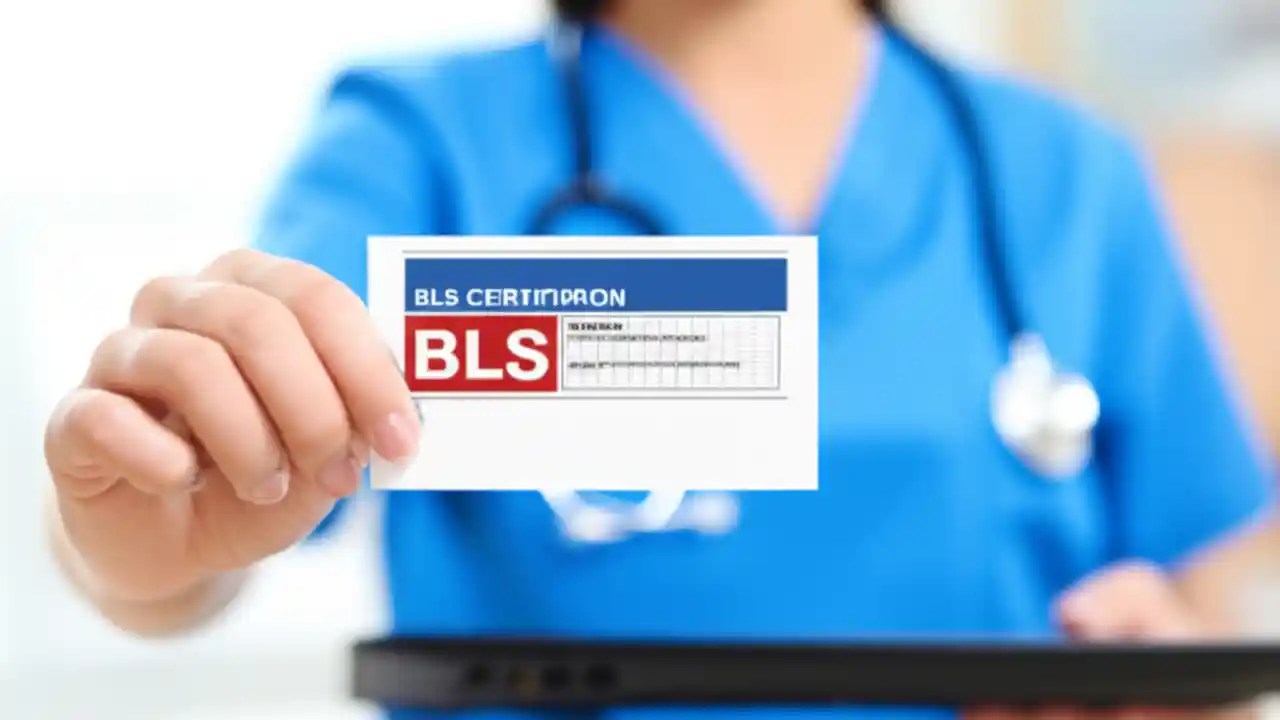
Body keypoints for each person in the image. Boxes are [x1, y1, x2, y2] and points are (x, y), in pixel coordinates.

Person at [42, 0, 1278, 718]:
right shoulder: (420, 141)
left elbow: (1194, 607)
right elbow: (209, 498)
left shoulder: (1061, 170)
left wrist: (1165, 665)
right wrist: (138, 535)